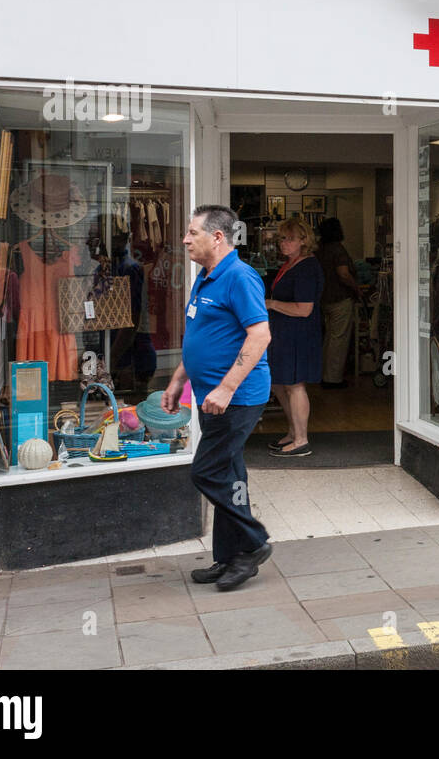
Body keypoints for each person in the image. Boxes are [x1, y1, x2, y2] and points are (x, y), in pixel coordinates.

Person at [162, 205, 274, 591]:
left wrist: (226, 388)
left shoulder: (240, 277)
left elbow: (259, 335)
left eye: (192, 233)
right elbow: (198, 337)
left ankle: (254, 543)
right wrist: (179, 379)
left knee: (206, 472)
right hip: (211, 397)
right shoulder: (205, 276)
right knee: (229, 475)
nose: (185, 239)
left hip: (237, 399)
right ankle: (231, 558)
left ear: (218, 237)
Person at [265, 218, 325, 457]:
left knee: (295, 385)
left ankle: (301, 440)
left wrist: (271, 304)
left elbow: (304, 309)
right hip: (283, 334)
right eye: (281, 238)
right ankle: (292, 432)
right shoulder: (290, 264)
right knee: (280, 383)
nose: (284, 243)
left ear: (304, 240)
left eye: (289, 239)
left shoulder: (307, 268)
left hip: (299, 335)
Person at [315, 217, 362, 388]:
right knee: (339, 339)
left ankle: (323, 374)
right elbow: (343, 273)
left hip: (323, 298)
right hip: (340, 298)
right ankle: (333, 379)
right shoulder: (338, 250)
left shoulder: (320, 250)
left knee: (329, 338)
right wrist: (356, 288)